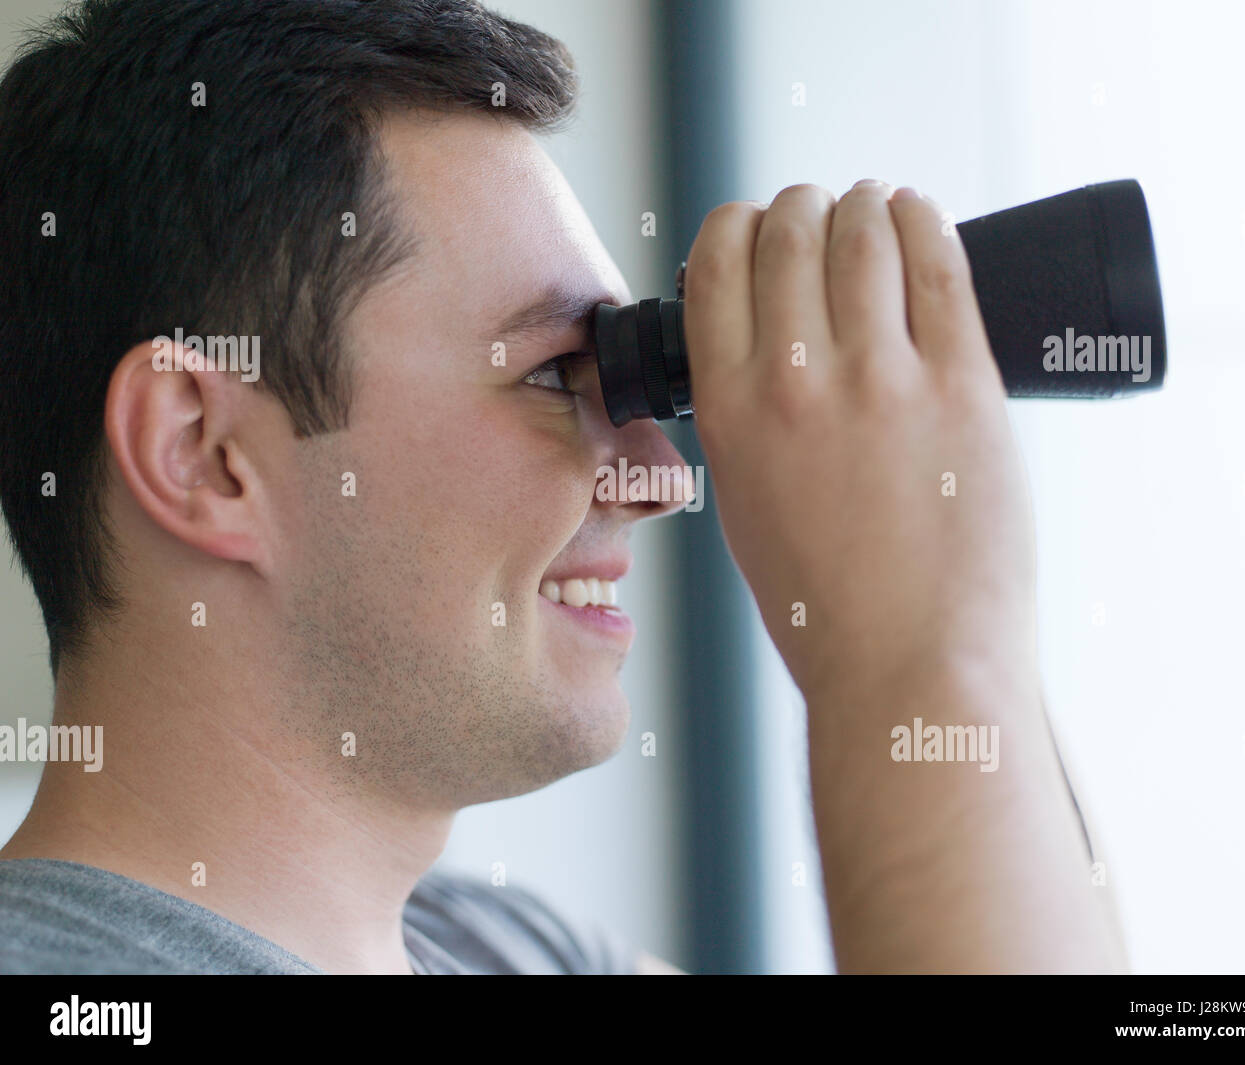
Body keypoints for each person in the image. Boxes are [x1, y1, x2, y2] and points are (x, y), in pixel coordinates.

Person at [0, 0, 1124, 974]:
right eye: (553, 375)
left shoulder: (501, 948)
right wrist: (913, 647)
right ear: (205, 453)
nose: (659, 478)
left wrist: (957, 610)